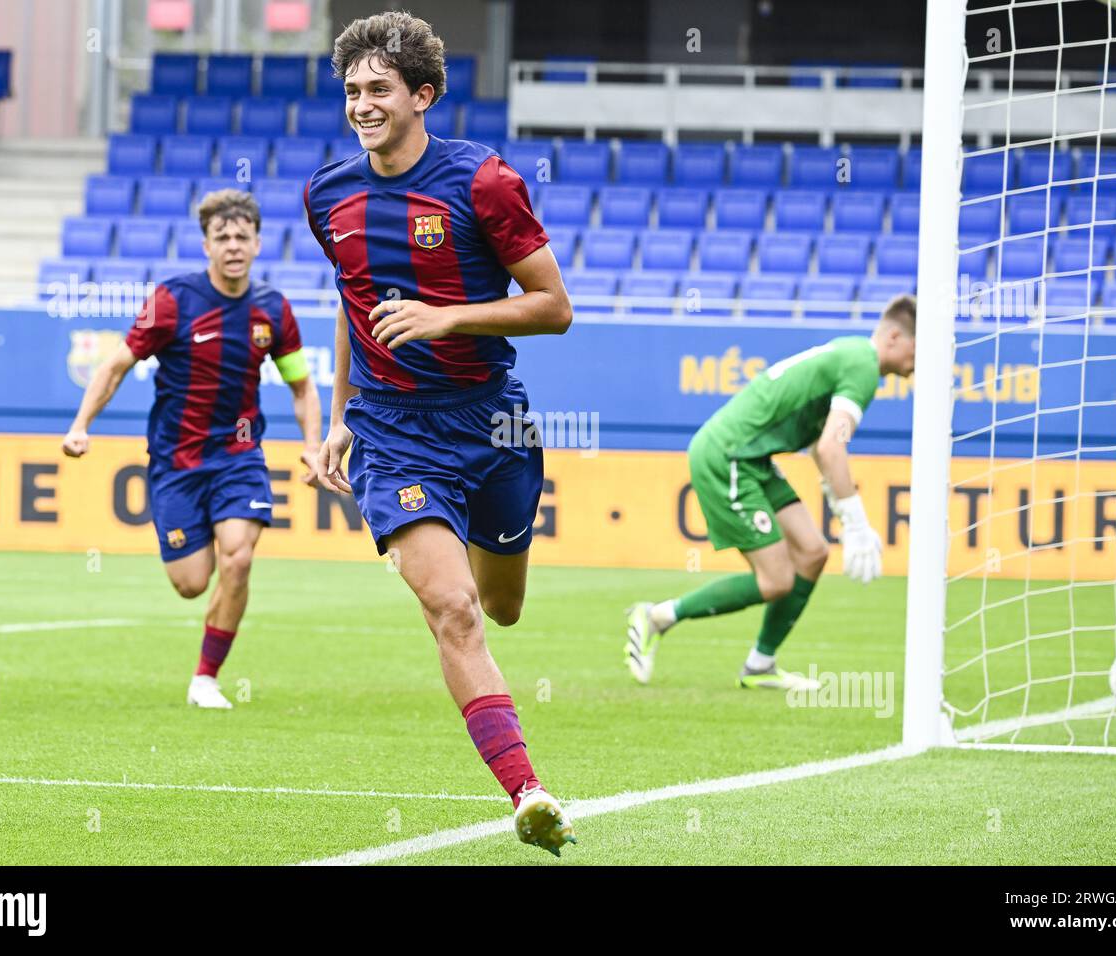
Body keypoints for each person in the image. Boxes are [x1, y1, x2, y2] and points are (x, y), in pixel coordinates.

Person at [304, 11, 576, 855]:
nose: (362, 104)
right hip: (394, 432)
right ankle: (527, 791)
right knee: (454, 610)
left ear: (422, 95)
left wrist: (448, 318)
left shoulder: (483, 183)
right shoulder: (327, 195)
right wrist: (344, 413)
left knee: (503, 604)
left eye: (379, 89)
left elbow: (553, 308)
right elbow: (353, 310)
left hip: (491, 423)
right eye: (352, 91)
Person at [62, 190, 322, 709]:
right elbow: (115, 366)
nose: (232, 246)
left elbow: (301, 387)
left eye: (241, 237)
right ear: (205, 245)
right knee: (191, 583)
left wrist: (314, 446)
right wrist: (80, 425)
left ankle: (206, 677)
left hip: (240, 456)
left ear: (257, 243)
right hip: (176, 462)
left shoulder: (272, 310)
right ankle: (204, 626)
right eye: (221, 237)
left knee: (239, 560)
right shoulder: (172, 301)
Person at [625, 295, 917, 689]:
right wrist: (858, 524)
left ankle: (760, 665)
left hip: (752, 459)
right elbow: (832, 447)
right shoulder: (863, 366)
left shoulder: (850, 355)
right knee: (777, 578)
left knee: (813, 553)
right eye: (920, 347)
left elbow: (819, 447)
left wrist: (841, 507)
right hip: (729, 455)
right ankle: (657, 615)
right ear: (896, 336)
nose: (921, 361)